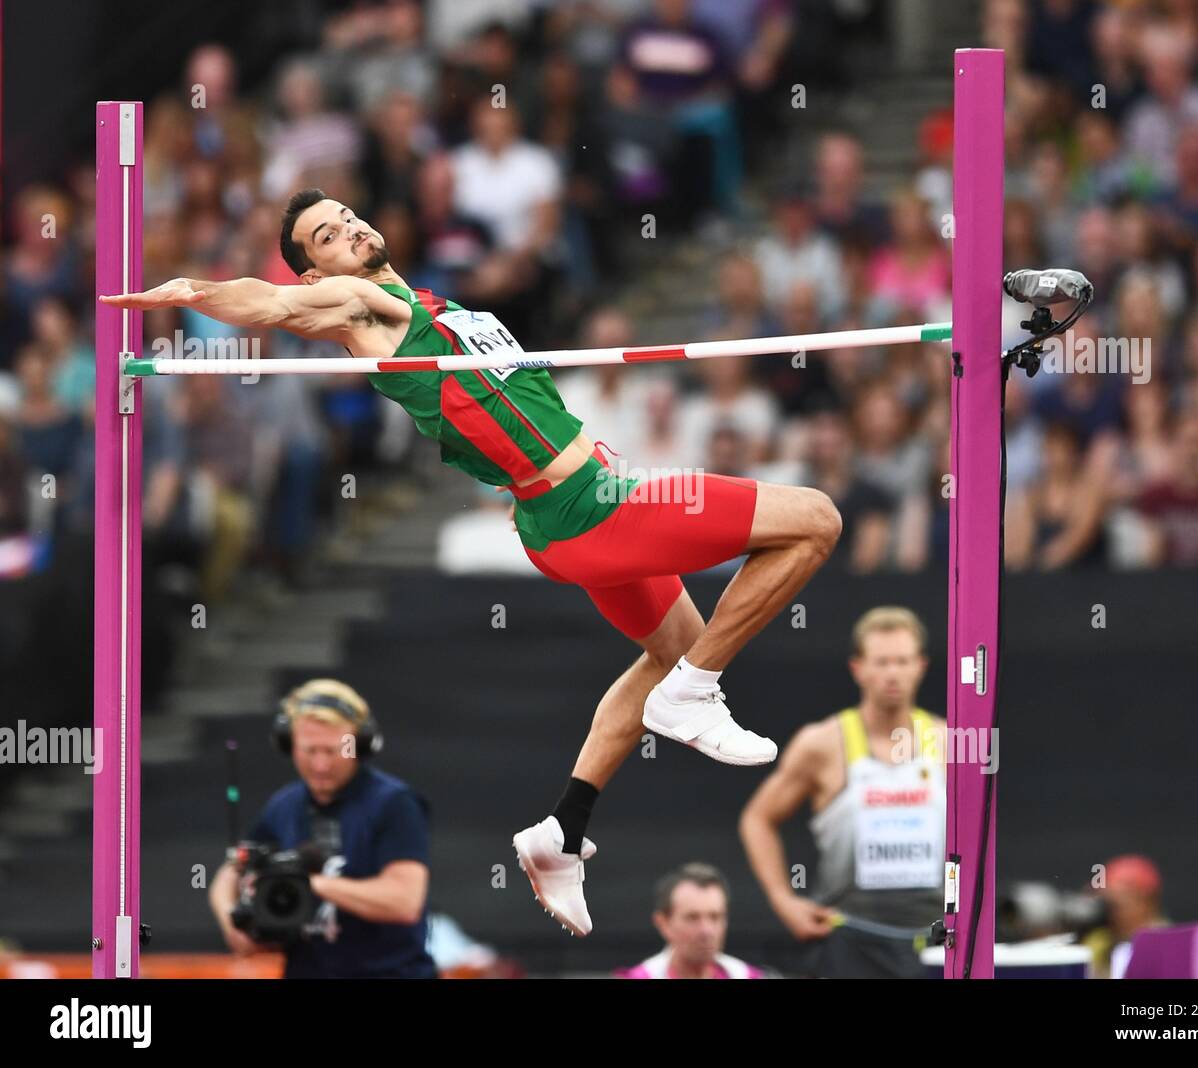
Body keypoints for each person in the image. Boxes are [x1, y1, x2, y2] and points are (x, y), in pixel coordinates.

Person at [105, 190, 842, 938]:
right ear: (314, 273)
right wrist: (197, 293)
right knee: (814, 519)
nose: (350, 229)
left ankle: (561, 831)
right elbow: (271, 304)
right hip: (591, 506)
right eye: (325, 236)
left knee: (673, 652)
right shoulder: (366, 310)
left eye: (348, 216)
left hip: (581, 505)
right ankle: (695, 694)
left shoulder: (426, 300)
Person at [739, 606, 946, 978]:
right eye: (881, 662)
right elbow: (758, 818)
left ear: (921, 666)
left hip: (937, 940)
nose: (892, 673)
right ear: (858, 668)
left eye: (902, 661)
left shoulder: (949, 742)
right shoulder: (822, 743)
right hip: (851, 940)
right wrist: (783, 900)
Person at [207, 679, 435, 978]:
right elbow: (229, 872)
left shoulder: (394, 804)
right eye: (310, 750)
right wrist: (233, 923)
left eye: (332, 751)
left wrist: (308, 884)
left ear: (360, 744)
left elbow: (405, 901)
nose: (321, 764)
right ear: (289, 744)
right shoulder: (283, 806)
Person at [614, 863, 766, 979]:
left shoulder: (749, 976)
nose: (707, 931)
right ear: (663, 924)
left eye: (715, 917)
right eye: (692, 918)